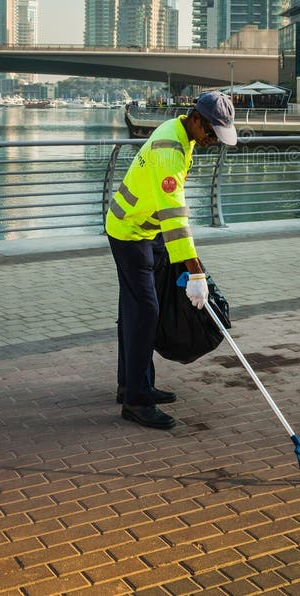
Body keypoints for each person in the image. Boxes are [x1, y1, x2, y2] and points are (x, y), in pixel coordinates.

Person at [105, 91, 237, 430]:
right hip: (130, 231)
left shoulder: (182, 134)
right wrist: (196, 275)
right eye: (211, 133)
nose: (212, 141)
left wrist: (190, 267)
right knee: (146, 310)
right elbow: (176, 219)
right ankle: (136, 401)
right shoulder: (170, 152)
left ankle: (133, 384)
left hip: (148, 230)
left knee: (135, 309)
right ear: (196, 119)